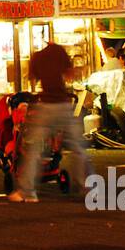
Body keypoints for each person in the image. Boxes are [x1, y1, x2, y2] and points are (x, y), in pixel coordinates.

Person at [10, 40, 90, 202]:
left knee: (32, 149)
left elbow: (32, 78)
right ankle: (85, 186)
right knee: (78, 148)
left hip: (46, 106)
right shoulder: (59, 51)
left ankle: (27, 192)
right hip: (63, 105)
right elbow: (69, 75)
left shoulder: (37, 57)